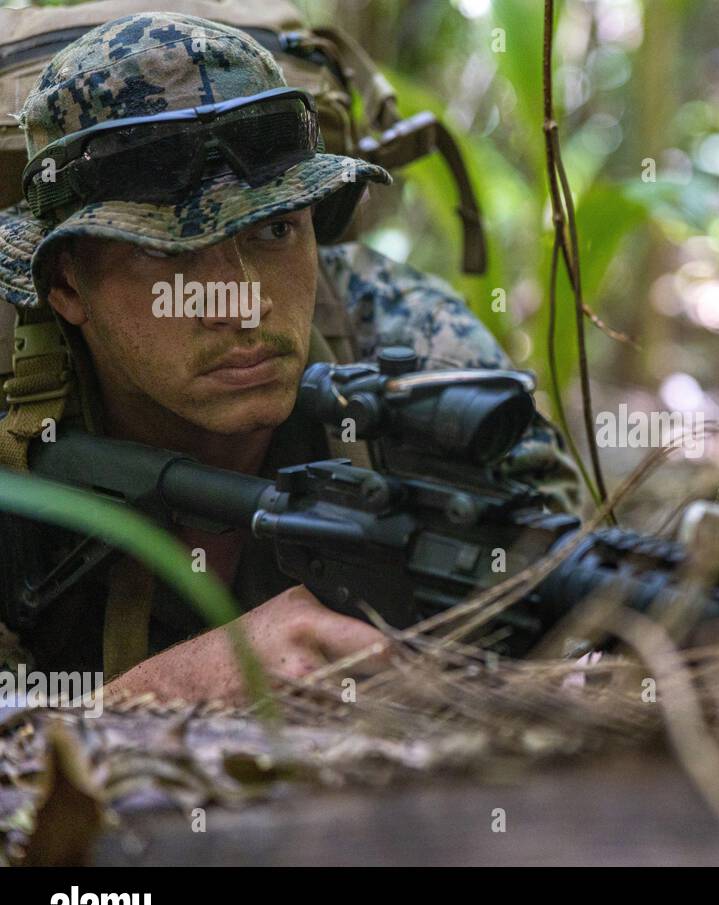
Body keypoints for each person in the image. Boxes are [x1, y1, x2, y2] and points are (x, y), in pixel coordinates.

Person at [0, 12, 579, 701]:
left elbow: (568, 599)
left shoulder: (417, 344)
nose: (242, 303)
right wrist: (167, 687)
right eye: (165, 251)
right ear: (66, 283)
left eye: (276, 228)